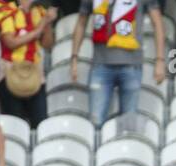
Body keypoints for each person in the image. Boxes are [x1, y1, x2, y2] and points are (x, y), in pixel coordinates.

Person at [72, 0, 167, 131]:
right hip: (100, 64)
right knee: (96, 122)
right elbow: (81, 23)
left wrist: (160, 61)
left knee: (128, 124)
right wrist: (74, 58)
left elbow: (158, 24)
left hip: (131, 65)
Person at [0, 0, 57, 128]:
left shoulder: (40, 11)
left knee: (40, 123)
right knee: (14, 124)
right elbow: (10, 42)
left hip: (34, 74)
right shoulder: (7, 11)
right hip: (11, 73)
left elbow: (48, 44)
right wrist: (39, 29)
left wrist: (47, 23)